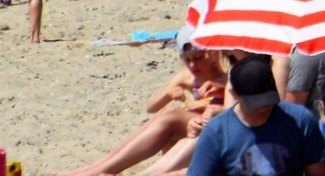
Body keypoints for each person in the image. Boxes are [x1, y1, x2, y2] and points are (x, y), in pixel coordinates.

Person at [59, 44, 227, 176]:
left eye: (197, 58)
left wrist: (219, 91)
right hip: (195, 127)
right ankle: (97, 167)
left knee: (171, 115)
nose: (192, 65)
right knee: (166, 113)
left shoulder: (227, 77)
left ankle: (101, 170)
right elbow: (151, 107)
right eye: (187, 60)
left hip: (207, 127)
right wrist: (169, 94)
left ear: (211, 54)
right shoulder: (187, 77)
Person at [187, 54, 324, 176]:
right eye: (255, 103)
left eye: (268, 100)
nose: (264, 108)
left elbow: (317, 171)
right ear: (234, 94)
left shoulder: (299, 120)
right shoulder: (216, 133)